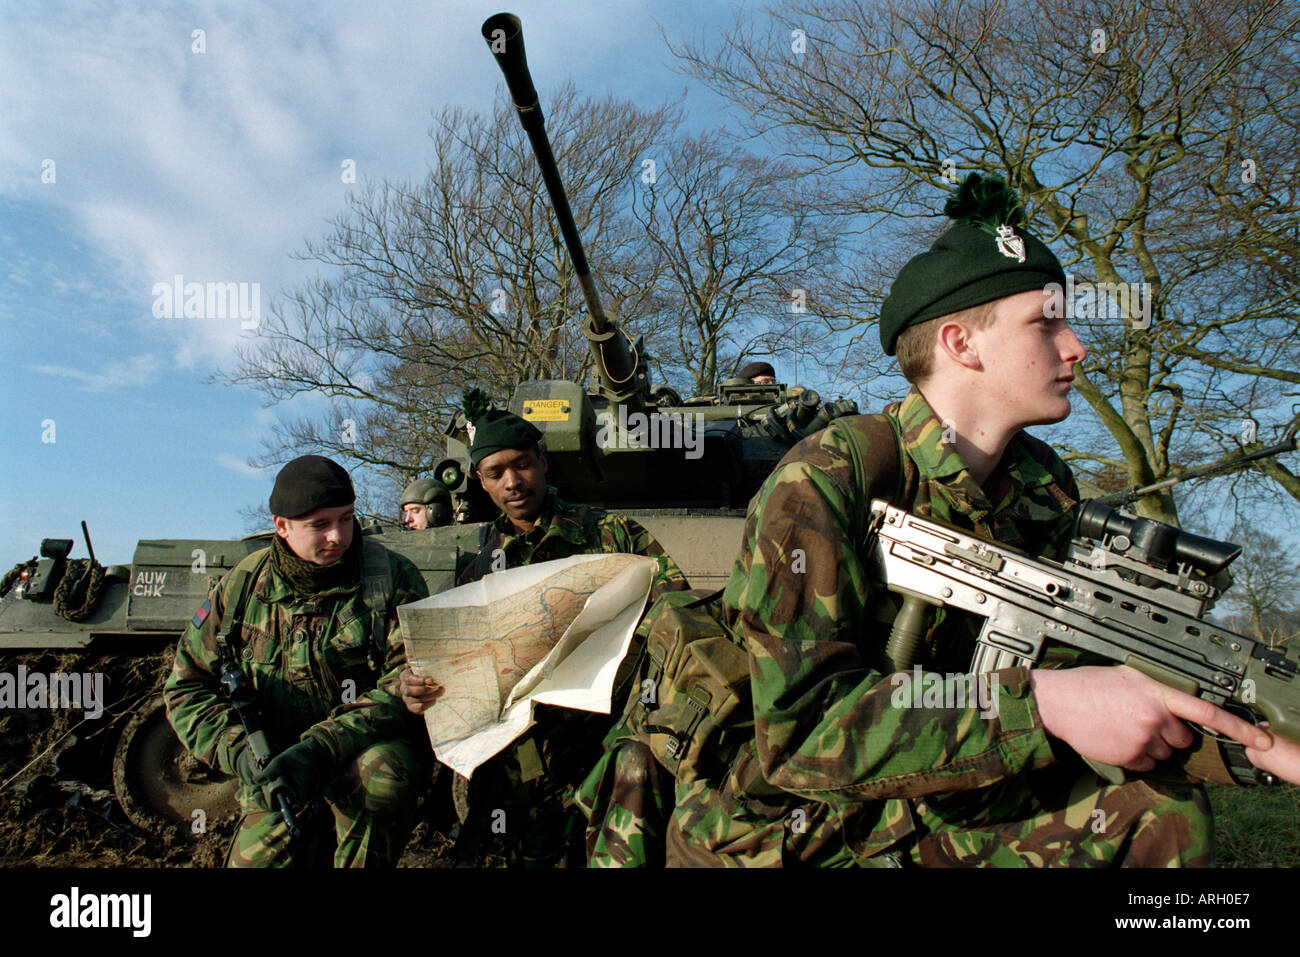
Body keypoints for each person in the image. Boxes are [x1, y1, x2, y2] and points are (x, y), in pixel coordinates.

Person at [658, 173, 1300, 867]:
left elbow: (1098, 684)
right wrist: (1041, 705)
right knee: (1151, 817)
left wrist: (1256, 740)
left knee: (1162, 806)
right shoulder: (827, 475)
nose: (1077, 346)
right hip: (789, 826)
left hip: (937, 783)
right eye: (1046, 321)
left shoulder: (1040, 485)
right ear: (962, 344)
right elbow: (800, 738)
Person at [400, 396, 688, 866]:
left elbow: (679, 617)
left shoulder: (615, 536)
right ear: (481, 482)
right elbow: (458, 678)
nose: (513, 482)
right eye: (495, 474)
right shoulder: (479, 575)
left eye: (522, 465)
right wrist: (420, 689)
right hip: (524, 766)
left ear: (543, 460)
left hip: (615, 740)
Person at [165, 454, 431, 867]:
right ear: (282, 526)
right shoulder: (242, 587)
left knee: (385, 778)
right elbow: (188, 686)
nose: (338, 536)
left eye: (345, 518)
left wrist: (319, 749)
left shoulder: (392, 578)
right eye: (319, 525)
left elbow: (408, 684)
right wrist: (240, 752)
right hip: (276, 766)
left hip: (360, 752)